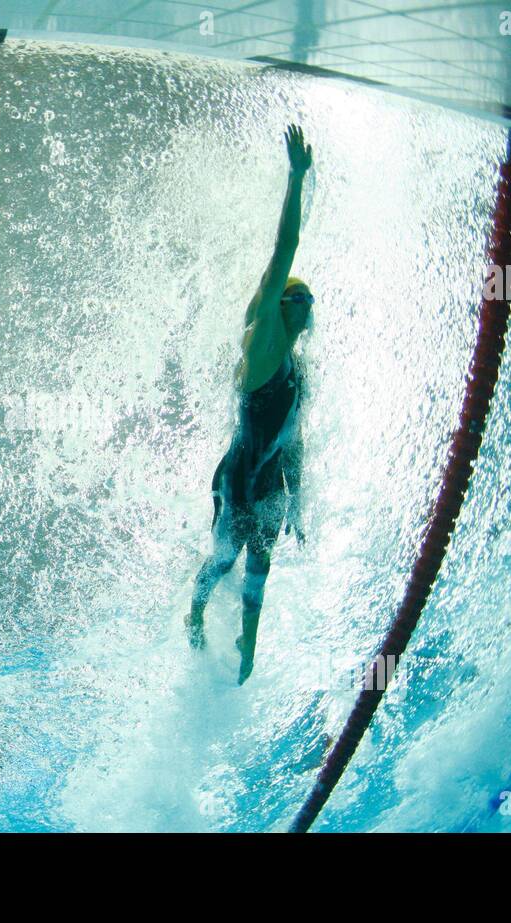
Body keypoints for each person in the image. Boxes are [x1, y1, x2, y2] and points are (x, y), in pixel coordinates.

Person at [187, 124, 313, 685]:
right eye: (301, 299)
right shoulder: (262, 344)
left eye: (311, 300)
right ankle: (194, 608)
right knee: (226, 557)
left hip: (271, 480)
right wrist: (296, 177)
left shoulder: (296, 363)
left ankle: (249, 640)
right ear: (282, 304)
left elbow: (295, 435)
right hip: (239, 476)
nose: (311, 307)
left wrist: (301, 499)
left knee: (263, 564)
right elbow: (283, 249)